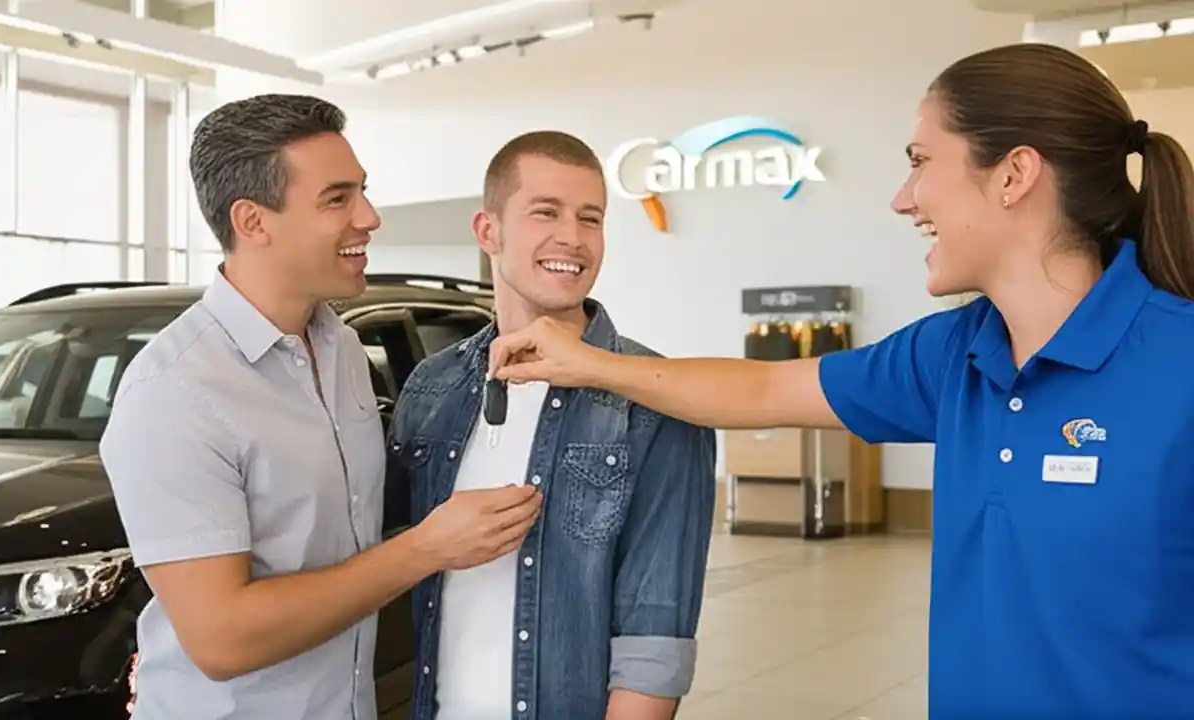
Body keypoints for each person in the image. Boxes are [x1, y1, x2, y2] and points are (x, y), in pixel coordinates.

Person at [488, 43, 1194, 719]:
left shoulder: (1177, 363)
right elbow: (762, 391)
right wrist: (589, 363)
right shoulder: (956, 353)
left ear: (1013, 175)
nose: (901, 197)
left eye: (919, 162)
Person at [99, 94, 541, 720]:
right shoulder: (178, 392)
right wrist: (425, 549)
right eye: (337, 199)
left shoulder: (342, 350)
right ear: (253, 221)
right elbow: (223, 638)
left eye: (362, 191)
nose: (369, 216)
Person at [386, 130, 716, 720]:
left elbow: (654, 639)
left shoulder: (653, 398)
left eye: (591, 218)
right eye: (546, 212)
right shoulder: (432, 389)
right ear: (488, 230)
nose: (573, 237)